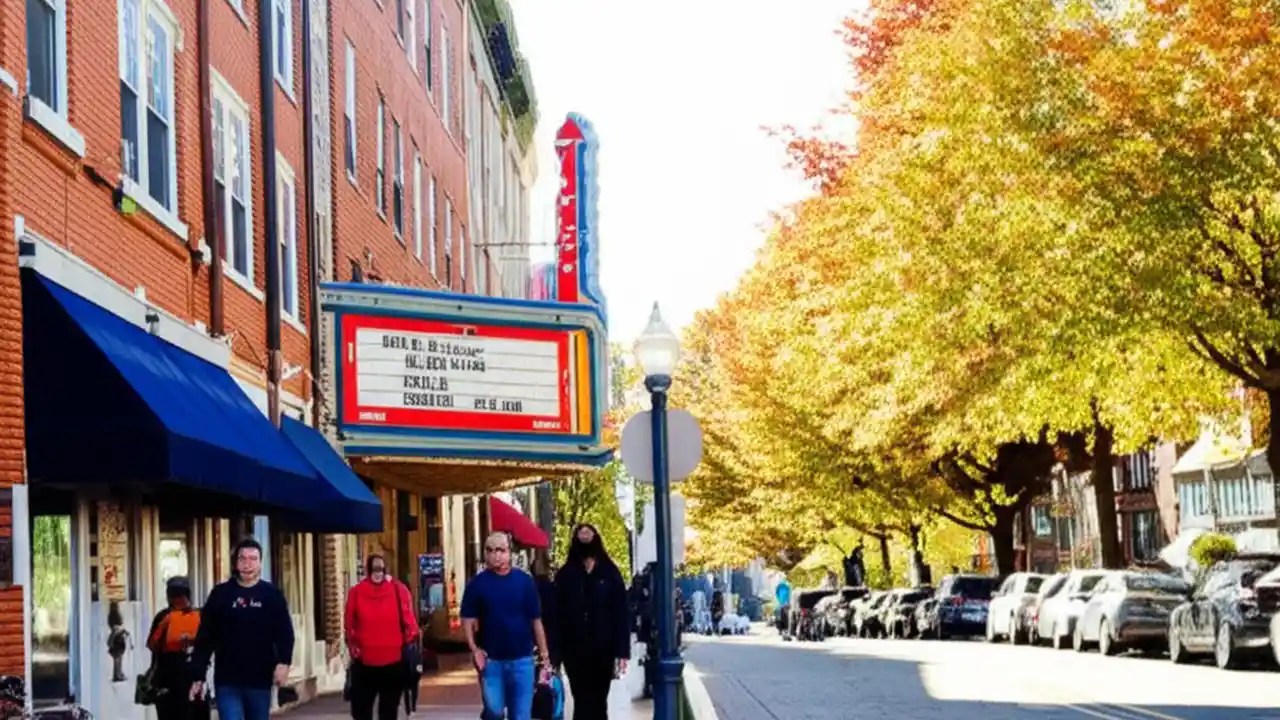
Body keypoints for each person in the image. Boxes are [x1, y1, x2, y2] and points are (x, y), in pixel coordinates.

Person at [190, 538, 295, 720]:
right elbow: (205, 636)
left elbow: (285, 632)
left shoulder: (272, 595)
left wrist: (283, 662)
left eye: (253, 559)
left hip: (260, 679)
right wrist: (198, 674)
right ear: (235, 563)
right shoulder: (221, 594)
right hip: (227, 678)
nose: (247, 564)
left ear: (261, 563)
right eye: (242, 559)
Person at [461, 531, 552, 720]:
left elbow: (536, 620)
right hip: (492, 661)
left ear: (509, 552)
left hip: (522, 660)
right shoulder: (477, 584)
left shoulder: (524, 582)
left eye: (500, 550)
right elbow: (467, 619)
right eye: (490, 550)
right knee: (493, 710)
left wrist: (545, 657)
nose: (496, 555)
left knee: (520, 715)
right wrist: (474, 648)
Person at [554, 524, 631, 720]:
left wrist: (622, 652)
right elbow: (557, 616)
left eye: (589, 535)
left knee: (599, 700)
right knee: (581, 699)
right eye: (581, 536)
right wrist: (555, 655)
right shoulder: (565, 575)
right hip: (574, 650)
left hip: (603, 648)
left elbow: (621, 612)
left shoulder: (610, 573)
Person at [345, 554, 419, 720]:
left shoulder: (397, 590)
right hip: (369, 663)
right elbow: (349, 626)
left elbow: (409, 624)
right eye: (374, 570)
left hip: (388, 663)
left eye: (380, 569)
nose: (377, 573)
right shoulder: (358, 593)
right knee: (374, 712)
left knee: (380, 711)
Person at [145, 576, 209, 720]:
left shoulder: (198, 616)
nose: (178, 600)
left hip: (187, 679)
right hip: (173, 678)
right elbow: (153, 644)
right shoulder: (167, 617)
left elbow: (152, 645)